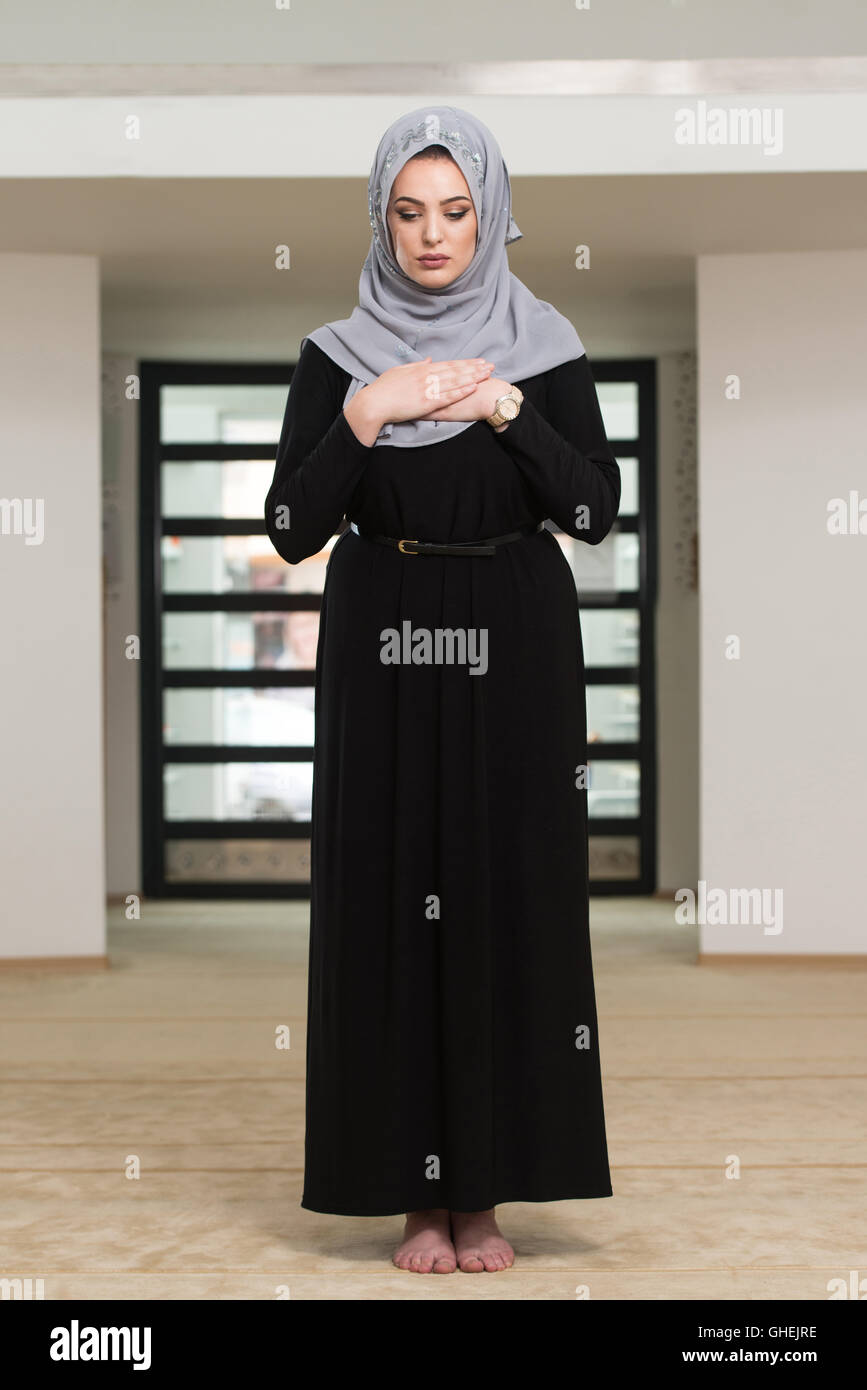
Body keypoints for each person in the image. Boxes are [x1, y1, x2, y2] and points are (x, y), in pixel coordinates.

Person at [265, 105, 620, 1275]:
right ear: (380, 219)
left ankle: (487, 1194)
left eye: (456, 212)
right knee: (391, 893)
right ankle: (415, 1196)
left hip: (516, 634)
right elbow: (292, 527)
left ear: (492, 215)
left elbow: (593, 511)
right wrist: (368, 416)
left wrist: (502, 406)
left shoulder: (546, 344)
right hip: (383, 633)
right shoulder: (337, 355)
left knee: (508, 893)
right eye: (407, 212)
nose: (432, 235)